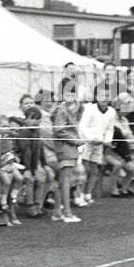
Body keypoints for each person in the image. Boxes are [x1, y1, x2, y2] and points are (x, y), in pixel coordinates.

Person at [50, 79, 84, 222]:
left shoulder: (70, 109)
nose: (71, 95)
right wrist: (75, 140)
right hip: (65, 148)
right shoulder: (62, 110)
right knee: (66, 181)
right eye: (68, 92)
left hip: (69, 148)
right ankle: (68, 213)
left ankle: (57, 212)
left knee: (62, 181)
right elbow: (58, 130)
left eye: (73, 92)